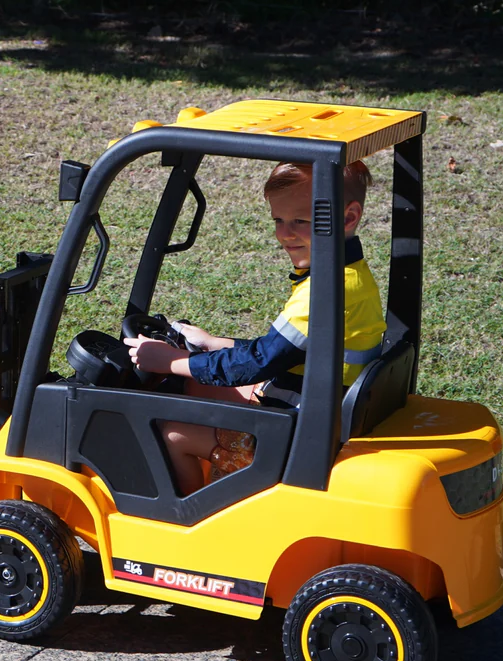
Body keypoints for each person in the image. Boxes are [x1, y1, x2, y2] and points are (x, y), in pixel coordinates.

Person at [124, 160, 386, 494]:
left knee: (174, 433)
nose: (283, 233)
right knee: (197, 388)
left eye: (300, 221)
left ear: (348, 218)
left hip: (297, 438)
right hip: (311, 410)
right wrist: (211, 341)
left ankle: (188, 526)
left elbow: (258, 363)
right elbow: (279, 351)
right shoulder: (346, 277)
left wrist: (169, 362)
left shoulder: (327, 291)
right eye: (278, 219)